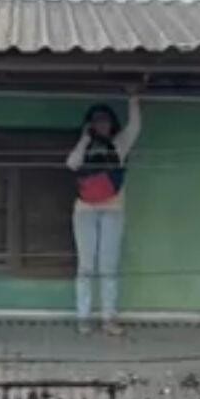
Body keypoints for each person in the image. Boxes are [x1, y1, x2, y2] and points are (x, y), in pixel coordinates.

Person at [66, 93, 142, 336]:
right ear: (89, 123)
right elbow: (71, 164)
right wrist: (84, 139)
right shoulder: (85, 144)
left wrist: (133, 99)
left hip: (113, 209)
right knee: (86, 266)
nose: (102, 125)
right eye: (96, 120)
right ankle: (83, 318)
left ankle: (109, 318)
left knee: (109, 265)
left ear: (112, 123)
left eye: (105, 120)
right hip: (85, 210)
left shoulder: (119, 144)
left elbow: (135, 127)